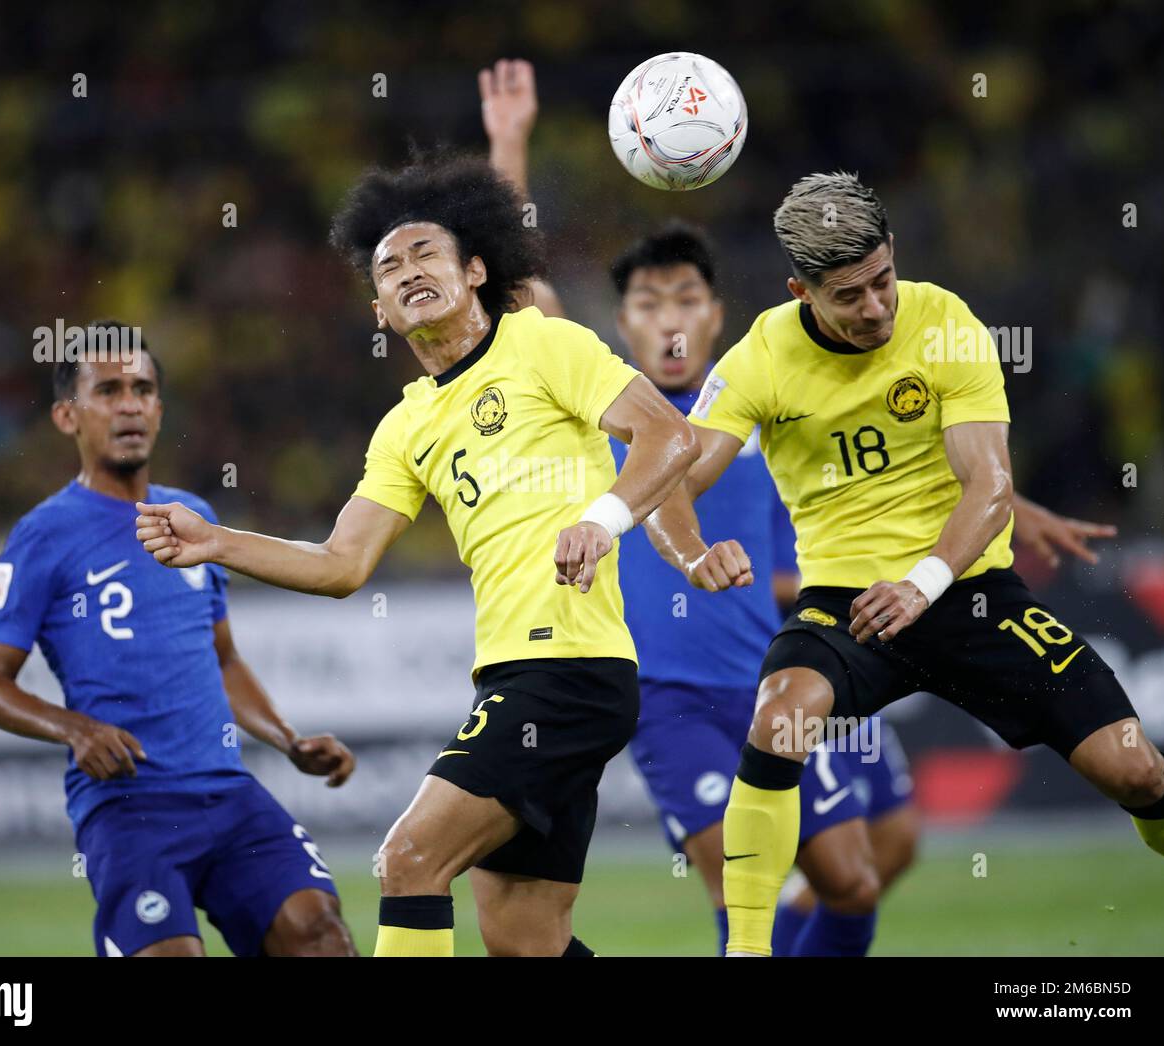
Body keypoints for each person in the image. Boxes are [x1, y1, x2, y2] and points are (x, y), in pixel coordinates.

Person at [131, 156, 739, 956]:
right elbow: (342, 564)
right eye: (390, 267)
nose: (409, 270)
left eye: (427, 254)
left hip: (572, 671)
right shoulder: (407, 426)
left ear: (476, 271)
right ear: (380, 310)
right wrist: (217, 543)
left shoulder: (542, 343)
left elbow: (670, 435)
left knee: (409, 860)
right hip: (515, 676)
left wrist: (602, 518)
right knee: (525, 939)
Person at [645, 171, 1164, 956]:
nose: (874, 308)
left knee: (1134, 771)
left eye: (881, 281)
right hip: (844, 605)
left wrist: (921, 584)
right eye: (847, 295)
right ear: (801, 290)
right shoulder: (760, 357)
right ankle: (749, 951)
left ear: (893, 255)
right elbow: (669, 485)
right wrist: (692, 555)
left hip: (966, 590)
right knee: (780, 714)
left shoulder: (945, 324)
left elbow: (991, 488)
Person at [0, 326, 357, 956]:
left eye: (143, 389)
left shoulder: (190, 517)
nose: (129, 404)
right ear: (67, 415)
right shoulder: (42, 536)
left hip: (226, 791)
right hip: (129, 805)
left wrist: (287, 740)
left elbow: (223, 657)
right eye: (110, 390)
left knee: (318, 932)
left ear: (158, 410)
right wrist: (77, 730)